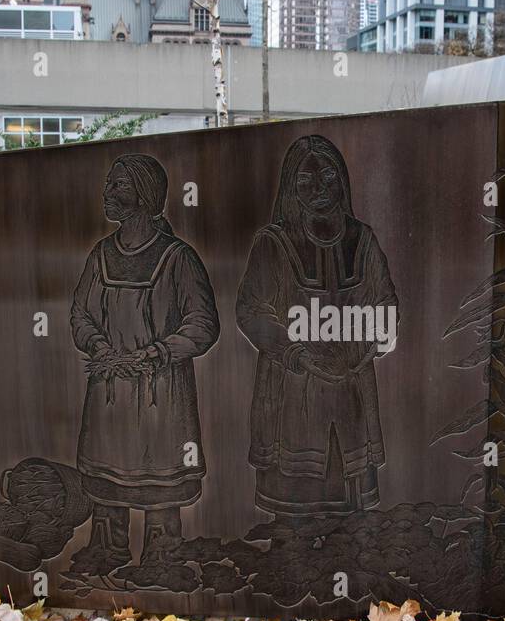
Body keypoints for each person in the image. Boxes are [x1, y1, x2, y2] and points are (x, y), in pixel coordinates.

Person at [237, 134, 398, 521]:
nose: (319, 189)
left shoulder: (363, 240)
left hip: (351, 389)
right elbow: (251, 311)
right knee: (295, 517)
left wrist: (364, 349)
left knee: (350, 518)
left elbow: (386, 305)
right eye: (305, 181)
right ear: (292, 187)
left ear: (341, 180)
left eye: (327, 177)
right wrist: (298, 353)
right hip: (293, 391)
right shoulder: (272, 243)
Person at [70, 154, 219, 566]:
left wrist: (157, 353)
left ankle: (163, 552)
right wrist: (99, 347)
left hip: (161, 391)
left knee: (159, 468)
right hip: (109, 389)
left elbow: (203, 323)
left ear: (145, 193)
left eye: (118, 185)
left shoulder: (177, 258)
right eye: (108, 184)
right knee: (108, 466)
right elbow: (80, 313)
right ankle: (107, 546)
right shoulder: (101, 255)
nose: (108, 193)